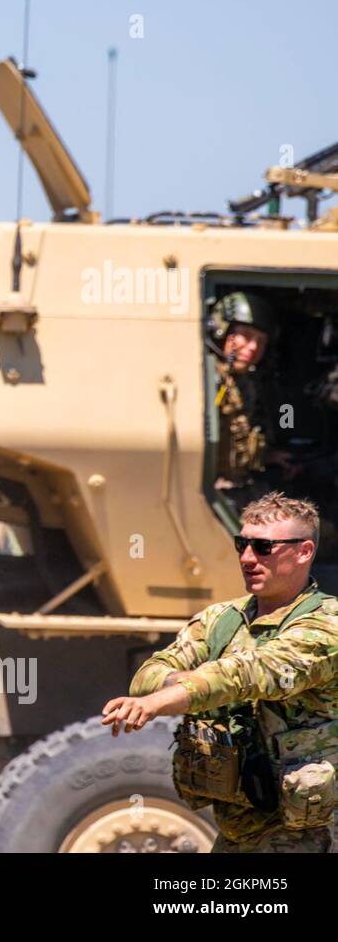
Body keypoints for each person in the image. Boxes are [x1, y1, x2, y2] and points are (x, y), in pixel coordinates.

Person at [103, 492, 338, 852]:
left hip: (305, 834)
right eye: (241, 544)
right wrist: (178, 684)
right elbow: (148, 674)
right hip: (237, 828)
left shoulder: (326, 624)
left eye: (262, 547)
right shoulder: (220, 620)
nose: (247, 558)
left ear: (303, 551)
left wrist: (166, 699)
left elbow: (253, 672)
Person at [210, 291, 278, 504]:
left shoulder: (244, 382)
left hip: (239, 484)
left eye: (261, 341)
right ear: (224, 333)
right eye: (246, 336)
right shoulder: (211, 378)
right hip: (216, 489)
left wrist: (269, 456)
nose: (253, 347)